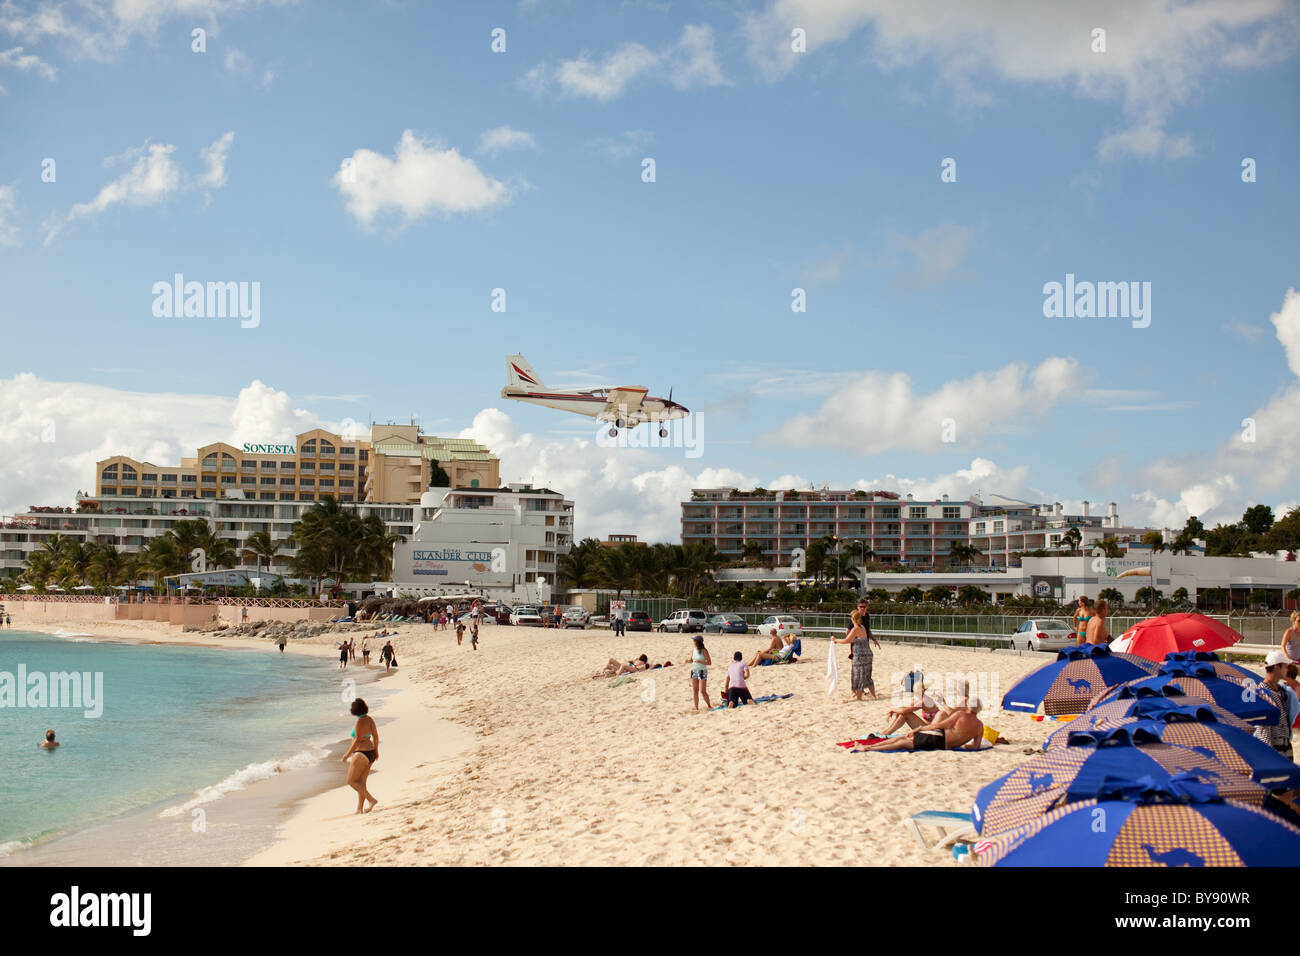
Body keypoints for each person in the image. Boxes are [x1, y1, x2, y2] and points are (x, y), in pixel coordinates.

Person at [863, 698, 985, 752]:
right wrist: (963, 746)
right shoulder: (980, 726)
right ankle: (872, 746)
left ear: (969, 706)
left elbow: (938, 726)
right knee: (903, 740)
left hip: (938, 739)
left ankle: (869, 748)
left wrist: (920, 729)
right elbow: (976, 746)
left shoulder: (960, 715)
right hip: (946, 745)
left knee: (903, 741)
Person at [1255, 650, 1298, 757]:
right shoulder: (1263, 692)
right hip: (1273, 749)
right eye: (1285, 666)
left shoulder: (1282, 691)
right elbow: (1263, 727)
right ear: (1276, 667)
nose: (1287, 669)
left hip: (1286, 746)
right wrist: (1268, 754)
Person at [834, 607, 881, 701]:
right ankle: (874, 696)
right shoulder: (862, 627)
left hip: (860, 655)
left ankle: (859, 698)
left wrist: (836, 640)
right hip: (868, 654)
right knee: (867, 676)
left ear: (852, 619)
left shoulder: (855, 629)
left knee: (858, 675)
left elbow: (847, 640)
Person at [342, 698, 379, 814]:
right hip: (371, 753)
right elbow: (376, 737)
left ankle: (371, 800)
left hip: (361, 754)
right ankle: (359, 809)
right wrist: (376, 751)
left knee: (351, 781)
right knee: (361, 783)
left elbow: (357, 740)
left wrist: (347, 754)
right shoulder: (370, 719)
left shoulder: (359, 722)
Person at [688, 635, 712, 711]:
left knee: (702, 691)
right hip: (694, 670)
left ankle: (709, 705)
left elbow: (709, 662)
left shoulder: (704, 650)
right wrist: (687, 661)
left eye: (694, 640)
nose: (693, 642)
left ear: (697, 642)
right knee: (695, 691)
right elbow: (691, 659)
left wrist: (700, 662)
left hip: (702, 671)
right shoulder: (693, 650)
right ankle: (696, 707)